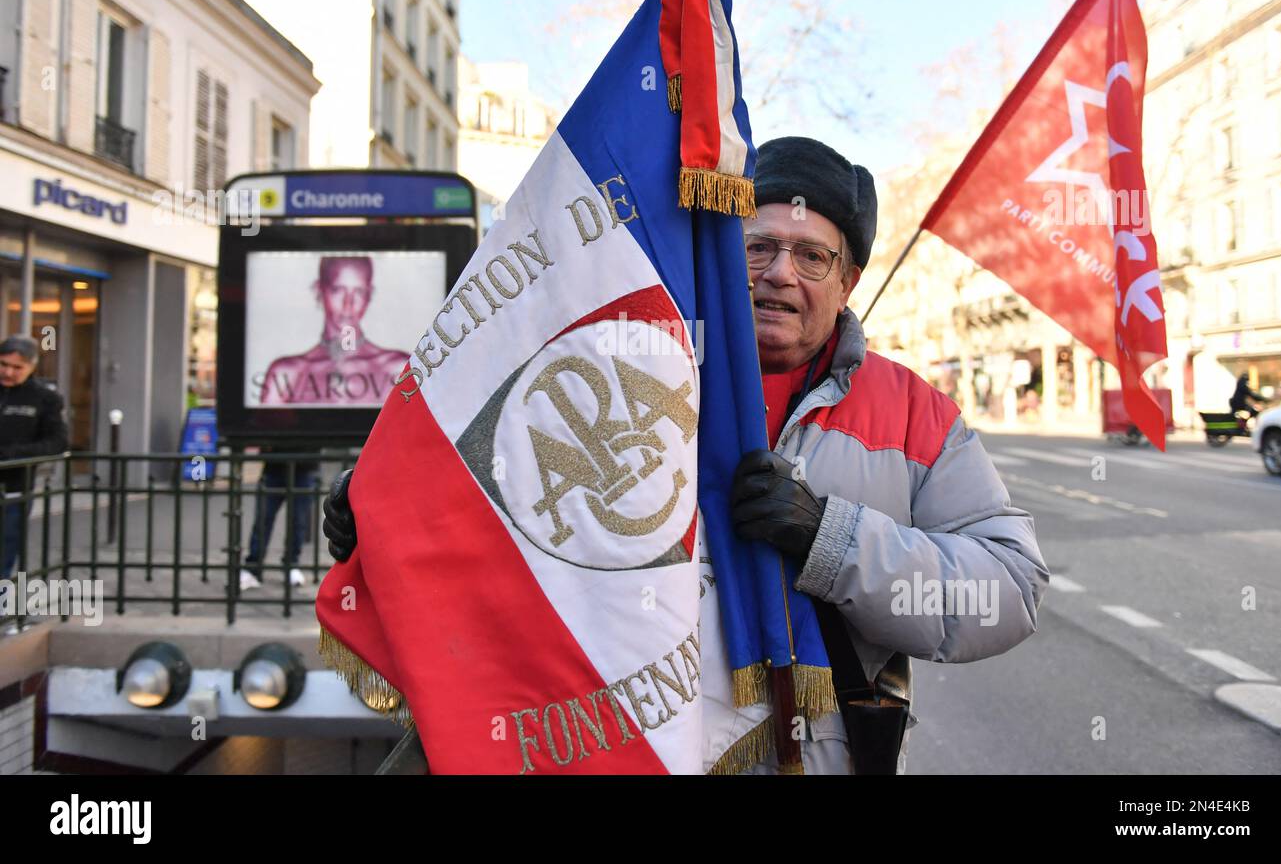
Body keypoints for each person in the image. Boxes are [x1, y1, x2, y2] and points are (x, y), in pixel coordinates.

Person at [321, 137, 1049, 774]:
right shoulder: (627, 365)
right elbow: (514, 503)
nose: (779, 273)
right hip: (614, 745)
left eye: (812, 255)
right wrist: (393, 512)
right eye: (757, 246)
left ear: (849, 279)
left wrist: (830, 537)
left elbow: (1008, 589)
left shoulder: (917, 413)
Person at [257, 256, 409, 407]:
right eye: (337, 290)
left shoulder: (399, 368)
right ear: (319, 290)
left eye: (359, 292)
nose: (348, 303)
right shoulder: (287, 374)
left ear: (369, 295)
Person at [0, 336, 68, 578]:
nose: (8, 372)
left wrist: (13, 454)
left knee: (5, 550)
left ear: (31, 366)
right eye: (3, 364)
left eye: (17, 367)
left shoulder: (44, 398)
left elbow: (57, 442)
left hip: (16, 486)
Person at [240, 446, 320, 592]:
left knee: (298, 521)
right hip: (277, 464)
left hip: (301, 465)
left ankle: (291, 564)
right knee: (264, 519)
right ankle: (254, 567)